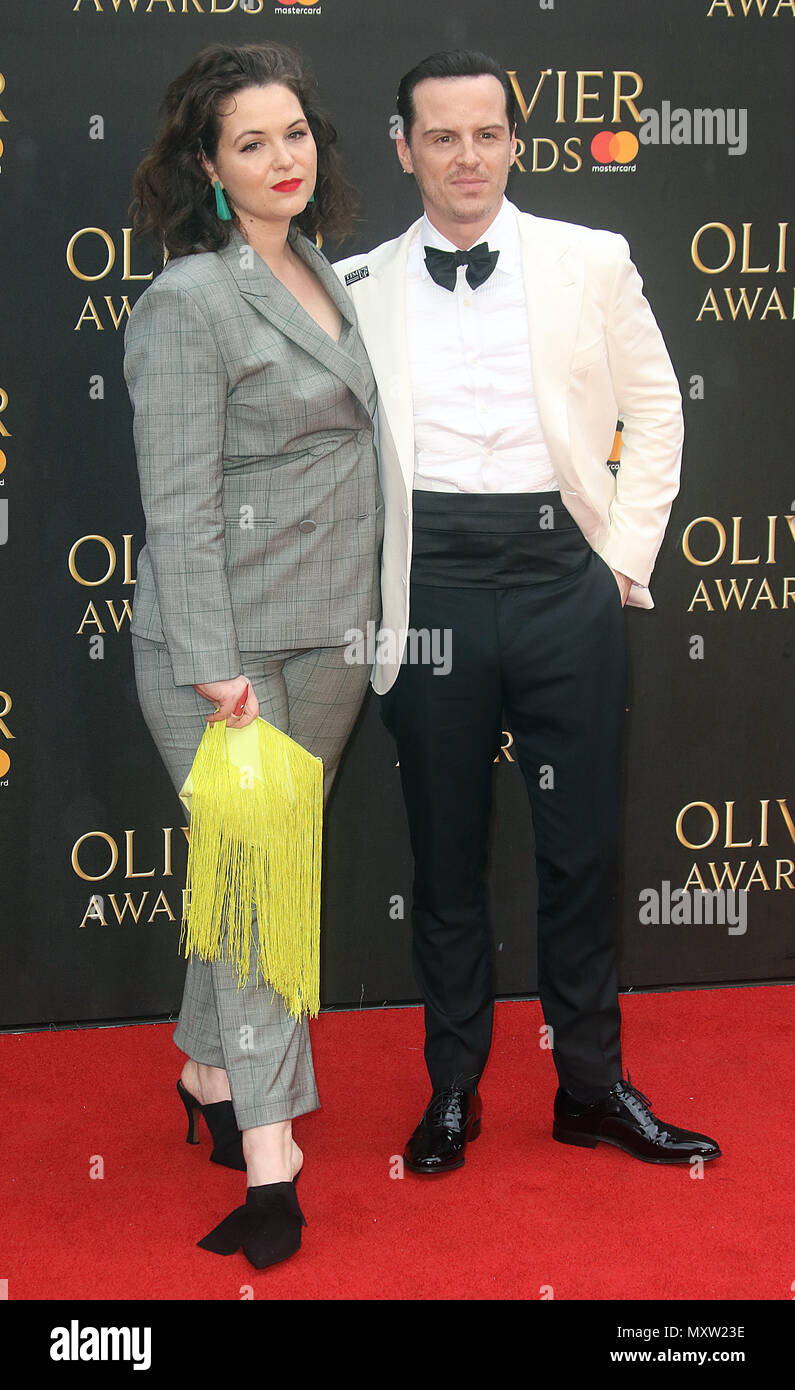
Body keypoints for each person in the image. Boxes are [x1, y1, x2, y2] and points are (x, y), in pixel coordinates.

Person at [335, 50, 720, 1175]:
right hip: (429, 591)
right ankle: (453, 1090)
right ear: (404, 148)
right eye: (441, 136)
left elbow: (657, 412)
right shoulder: (353, 287)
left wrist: (619, 561)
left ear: (516, 141)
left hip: (567, 582)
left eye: (487, 134)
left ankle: (591, 1088)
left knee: (584, 853)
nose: (467, 157)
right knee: (446, 859)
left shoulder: (590, 261)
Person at [124, 41, 382, 1265]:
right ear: (210, 169)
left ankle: (203, 1067)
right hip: (223, 656)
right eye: (251, 144)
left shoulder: (328, 273)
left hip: (332, 635)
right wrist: (216, 667)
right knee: (262, 895)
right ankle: (273, 1155)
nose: (285, 159)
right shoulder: (189, 301)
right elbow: (174, 507)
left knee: (248, 882)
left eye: (296, 134)